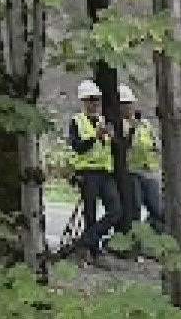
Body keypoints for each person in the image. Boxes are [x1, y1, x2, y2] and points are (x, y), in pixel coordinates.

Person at [66, 80, 119, 265]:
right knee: (90, 213)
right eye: (90, 100)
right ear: (83, 101)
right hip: (87, 172)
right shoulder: (76, 121)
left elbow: (115, 148)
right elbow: (78, 147)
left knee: (115, 211)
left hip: (104, 171)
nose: (95, 103)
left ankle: (84, 242)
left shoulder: (104, 120)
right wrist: (94, 136)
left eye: (97, 100)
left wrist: (112, 138)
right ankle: (93, 252)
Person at [117, 83, 165, 236]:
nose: (127, 107)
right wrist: (132, 128)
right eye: (123, 104)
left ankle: (152, 239)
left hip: (149, 171)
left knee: (157, 209)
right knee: (134, 208)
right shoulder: (120, 124)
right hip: (131, 171)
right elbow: (124, 145)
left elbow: (155, 143)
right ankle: (133, 240)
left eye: (129, 104)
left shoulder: (145, 124)